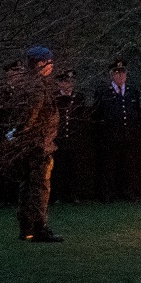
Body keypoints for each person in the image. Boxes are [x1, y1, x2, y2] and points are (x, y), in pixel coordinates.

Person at [16, 45, 63, 242]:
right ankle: (38, 228)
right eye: (49, 61)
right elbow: (29, 117)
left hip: (33, 145)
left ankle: (27, 228)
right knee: (39, 188)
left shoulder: (29, 85)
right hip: (39, 146)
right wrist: (29, 136)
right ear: (41, 63)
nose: (52, 66)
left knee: (28, 187)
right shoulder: (37, 87)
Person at [93, 59, 139, 202]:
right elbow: (97, 114)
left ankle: (128, 193)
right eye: (117, 73)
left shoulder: (132, 92)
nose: (120, 76)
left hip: (128, 135)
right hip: (110, 136)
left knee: (128, 167)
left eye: (122, 73)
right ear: (112, 75)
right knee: (109, 167)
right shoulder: (103, 92)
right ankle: (108, 195)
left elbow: (136, 112)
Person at [52, 70, 85, 204]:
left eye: (71, 81)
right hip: (58, 138)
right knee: (57, 168)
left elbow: (81, 118)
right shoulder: (54, 98)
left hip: (73, 137)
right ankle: (56, 195)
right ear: (59, 83)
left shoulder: (79, 98)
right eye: (65, 81)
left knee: (73, 169)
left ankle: (73, 194)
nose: (68, 84)